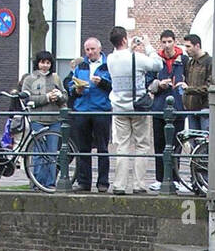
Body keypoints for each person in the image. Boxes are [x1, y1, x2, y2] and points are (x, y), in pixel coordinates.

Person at [105, 25, 162, 194]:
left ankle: (119, 185)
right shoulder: (138, 57)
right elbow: (157, 65)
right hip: (138, 106)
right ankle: (139, 184)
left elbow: (122, 57)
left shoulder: (110, 59)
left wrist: (130, 47)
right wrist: (147, 45)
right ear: (124, 39)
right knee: (142, 145)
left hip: (119, 108)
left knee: (122, 145)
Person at [65, 36, 112, 192]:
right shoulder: (81, 66)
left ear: (99, 49)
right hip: (82, 110)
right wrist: (76, 89)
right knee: (83, 148)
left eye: (93, 49)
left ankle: (103, 182)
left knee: (102, 148)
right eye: (87, 50)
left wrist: (102, 82)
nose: (90, 52)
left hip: (101, 109)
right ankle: (84, 182)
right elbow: (72, 85)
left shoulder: (108, 65)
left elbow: (114, 87)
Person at [19, 49, 67, 188]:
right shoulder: (29, 79)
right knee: (39, 153)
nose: (45, 66)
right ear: (37, 63)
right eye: (42, 62)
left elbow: (65, 97)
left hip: (54, 120)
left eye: (47, 63)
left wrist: (58, 96)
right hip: (38, 120)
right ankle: (37, 183)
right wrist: (46, 98)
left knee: (52, 153)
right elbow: (27, 99)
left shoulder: (56, 78)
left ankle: (50, 184)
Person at [147, 30, 184, 189]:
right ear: (160, 43)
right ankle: (159, 178)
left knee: (177, 144)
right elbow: (148, 83)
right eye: (164, 42)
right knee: (159, 144)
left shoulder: (184, 60)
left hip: (179, 107)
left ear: (174, 42)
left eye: (170, 41)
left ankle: (175, 179)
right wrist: (158, 85)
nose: (167, 45)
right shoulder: (155, 60)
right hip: (159, 107)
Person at [180, 33, 212, 132]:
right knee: (194, 141)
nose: (186, 49)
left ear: (197, 46)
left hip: (205, 108)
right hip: (191, 108)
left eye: (188, 46)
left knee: (205, 140)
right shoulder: (190, 63)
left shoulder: (210, 62)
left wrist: (188, 89)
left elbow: (210, 87)